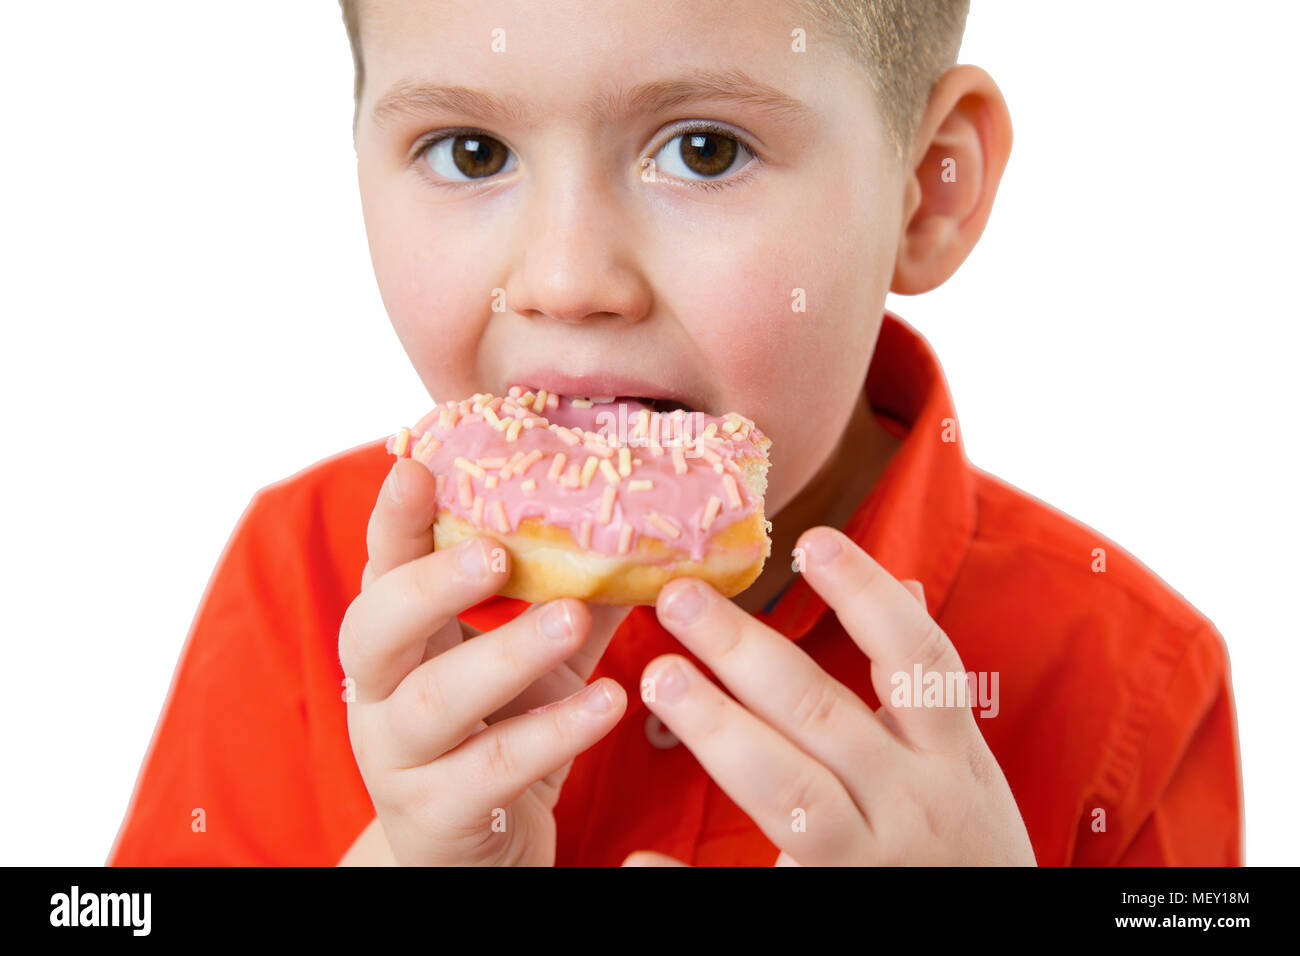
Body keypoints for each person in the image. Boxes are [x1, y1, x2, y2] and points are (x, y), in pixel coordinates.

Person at [107, 0, 1241, 866]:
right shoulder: (297, 578)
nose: (564, 279)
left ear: (926, 188)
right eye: (470, 151)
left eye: (702, 150)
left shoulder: (1135, 675)